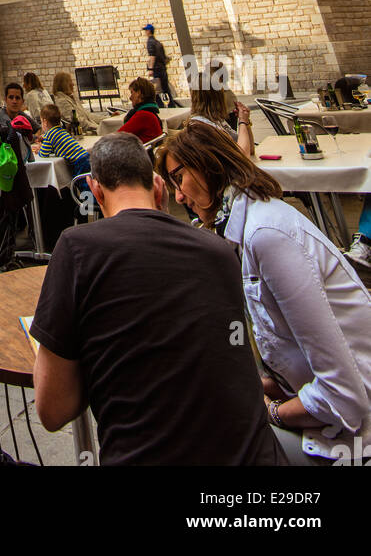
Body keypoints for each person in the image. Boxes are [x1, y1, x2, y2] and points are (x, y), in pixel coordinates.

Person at [30, 133, 283, 465]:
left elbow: (52, 410)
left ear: (96, 190)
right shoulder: (220, 251)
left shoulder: (78, 248)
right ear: (159, 187)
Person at [158, 122, 371, 464]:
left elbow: (343, 396)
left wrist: (271, 412)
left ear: (207, 165)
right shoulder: (240, 230)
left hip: (352, 433)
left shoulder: (266, 234)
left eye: (178, 178)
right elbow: (294, 355)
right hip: (325, 410)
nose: (179, 196)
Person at [187, 80, 254, 157]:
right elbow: (244, 156)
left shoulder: (217, 122)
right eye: (224, 92)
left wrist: (246, 122)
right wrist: (242, 122)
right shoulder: (205, 127)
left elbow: (250, 149)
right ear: (218, 98)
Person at [34, 103, 90, 177]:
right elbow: (56, 146)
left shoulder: (49, 135)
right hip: (85, 156)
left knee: (82, 182)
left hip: (78, 162)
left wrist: (40, 149)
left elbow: (44, 154)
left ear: (45, 122)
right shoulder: (62, 131)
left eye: (41, 121)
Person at [143, 22, 177, 106]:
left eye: (146, 30)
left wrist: (151, 69)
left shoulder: (150, 42)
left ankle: (159, 105)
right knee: (166, 89)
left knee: (156, 90)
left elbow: (152, 56)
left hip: (157, 69)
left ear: (149, 31)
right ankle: (171, 105)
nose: (145, 32)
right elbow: (165, 58)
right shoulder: (158, 42)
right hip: (163, 68)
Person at [118, 78, 163, 143]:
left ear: (139, 93)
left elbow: (118, 137)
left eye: (132, 92)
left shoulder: (143, 115)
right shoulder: (151, 112)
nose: (130, 98)